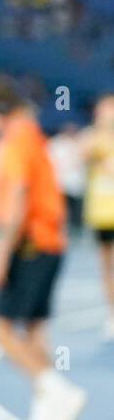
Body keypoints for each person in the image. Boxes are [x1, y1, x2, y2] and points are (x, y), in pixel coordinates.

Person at [0, 81, 86, 420]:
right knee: (34, 332)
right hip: (49, 242)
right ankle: (45, 419)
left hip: (29, 246)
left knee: (0, 331)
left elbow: (19, 200)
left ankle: (59, 391)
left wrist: (0, 255)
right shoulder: (31, 135)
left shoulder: (16, 140)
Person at [82, 94, 114, 340]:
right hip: (101, 213)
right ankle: (111, 313)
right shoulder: (93, 138)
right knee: (105, 267)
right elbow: (82, 152)